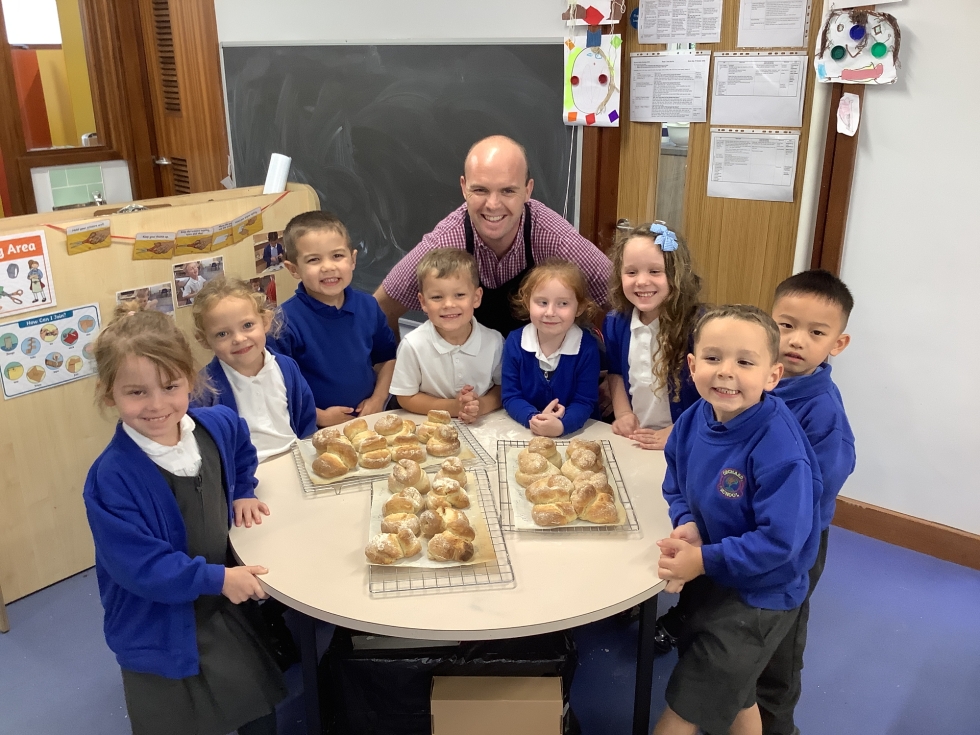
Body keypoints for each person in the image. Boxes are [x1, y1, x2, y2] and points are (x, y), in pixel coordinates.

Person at [82, 309, 286, 735]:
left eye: (171, 387)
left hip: (219, 607)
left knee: (254, 703)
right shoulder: (112, 478)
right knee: (178, 715)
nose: (157, 406)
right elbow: (140, 567)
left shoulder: (218, 425)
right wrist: (217, 579)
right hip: (158, 621)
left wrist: (245, 489)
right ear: (109, 395)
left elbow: (243, 451)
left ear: (190, 381)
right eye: (137, 393)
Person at [653, 305, 822, 735]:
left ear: (772, 376)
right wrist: (688, 519)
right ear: (692, 365)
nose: (726, 372)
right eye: (713, 358)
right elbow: (676, 481)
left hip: (761, 596)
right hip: (717, 579)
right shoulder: (694, 420)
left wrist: (703, 561)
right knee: (735, 693)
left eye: (745, 362)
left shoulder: (780, 449)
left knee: (684, 710)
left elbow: (780, 542)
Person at [373, 135, 612, 337]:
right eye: (480, 190)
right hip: (474, 378)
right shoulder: (445, 243)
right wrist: (392, 372)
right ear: (464, 187)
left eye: (508, 190)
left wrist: (614, 377)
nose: (493, 204)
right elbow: (381, 309)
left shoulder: (554, 238)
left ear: (528, 190)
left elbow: (620, 297)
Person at [755, 270, 856, 735]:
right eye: (787, 325)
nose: (796, 340)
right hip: (750, 536)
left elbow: (817, 493)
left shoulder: (822, 412)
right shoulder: (759, 383)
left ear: (838, 343)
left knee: (779, 648)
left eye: (816, 333)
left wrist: (779, 544)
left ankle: (776, 727)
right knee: (742, 632)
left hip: (795, 548)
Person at [269, 211, 397, 427]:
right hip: (313, 428)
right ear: (293, 269)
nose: (328, 267)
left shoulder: (368, 306)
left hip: (369, 419)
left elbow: (386, 359)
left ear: (353, 259)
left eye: (337, 256)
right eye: (313, 260)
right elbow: (275, 386)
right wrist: (319, 416)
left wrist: (378, 399)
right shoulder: (282, 322)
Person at [191, 276, 317, 462]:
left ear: (265, 321)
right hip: (246, 476)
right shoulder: (205, 387)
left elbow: (306, 419)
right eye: (222, 334)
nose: (239, 339)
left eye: (247, 325)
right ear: (204, 340)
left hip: (296, 460)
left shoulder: (286, 368)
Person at [602, 222, 702, 451]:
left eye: (655, 271)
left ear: (676, 275)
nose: (642, 281)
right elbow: (615, 372)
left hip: (685, 440)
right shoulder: (616, 322)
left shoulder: (698, 326)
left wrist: (679, 431)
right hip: (636, 439)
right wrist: (624, 413)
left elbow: (712, 390)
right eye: (631, 272)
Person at [390, 248, 503, 423]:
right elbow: (405, 397)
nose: (449, 304)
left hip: (483, 426)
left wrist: (481, 405)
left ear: (476, 297)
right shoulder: (413, 345)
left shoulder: (494, 342)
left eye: (459, 295)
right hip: (430, 427)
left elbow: (502, 387)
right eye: (437, 297)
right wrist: (454, 408)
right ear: (423, 302)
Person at [501, 260, 600, 437]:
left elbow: (584, 401)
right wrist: (534, 418)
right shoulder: (515, 342)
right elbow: (511, 396)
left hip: (575, 434)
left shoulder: (587, 347)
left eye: (563, 304)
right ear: (527, 302)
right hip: (526, 430)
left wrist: (562, 425)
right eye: (542, 302)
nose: (550, 312)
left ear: (580, 308)